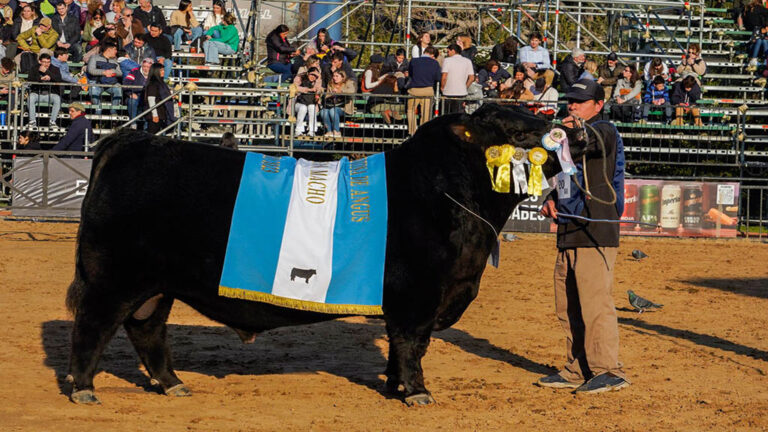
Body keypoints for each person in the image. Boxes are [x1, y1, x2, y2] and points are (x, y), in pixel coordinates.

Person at [537, 78, 628, 395]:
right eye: (570, 100)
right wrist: (549, 200)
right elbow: (562, 177)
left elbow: (589, 139)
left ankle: (608, 370)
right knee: (567, 306)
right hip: (569, 230)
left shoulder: (605, 131)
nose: (572, 105)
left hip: (595, 229)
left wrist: (569, 130)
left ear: (599, 105)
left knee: (595, 303)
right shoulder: (565, 141)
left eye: (580, 101)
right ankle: (577, 368)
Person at [406, 45, 440, 135]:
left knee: (411, 110)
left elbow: (410, 74)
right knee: (425, 112)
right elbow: (438, 77)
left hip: (414, 89)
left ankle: (412, 131)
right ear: (433, 55)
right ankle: (423, 133)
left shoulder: (413, 61)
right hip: (428, 90)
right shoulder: (435, 63)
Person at [27, 52, 62, 127]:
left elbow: (59, 79)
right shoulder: (34, 68)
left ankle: (52, 121)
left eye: (48, 62)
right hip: (37, 93)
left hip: (50, 94)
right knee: (31, 98)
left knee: (57, 99)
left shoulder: (55, 69)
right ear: (39, 61)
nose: (46, 64)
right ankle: (32, 121)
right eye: (44, 62)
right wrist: (40, 79)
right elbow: (30, 79)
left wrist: (47, 73)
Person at [87, 41, 122, 115]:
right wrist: (104, 72)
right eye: (115, 49)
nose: (116, 51)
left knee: (118, 88)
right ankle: (98, 111)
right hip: (97, 83)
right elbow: (91, 70)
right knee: (93, 90)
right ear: (109, 49)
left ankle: (113, 111)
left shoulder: (115, 61)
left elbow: (120, 73)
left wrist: (112, 72)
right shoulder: (94, 58)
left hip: (111, 83)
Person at [440, 43, 474, 114]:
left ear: (453, 51)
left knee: (447, 115)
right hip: (461, 92)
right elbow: (471, 78)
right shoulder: (467, 61)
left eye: (448, 51)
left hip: (448, 92)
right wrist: (465, 86)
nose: (448, 54)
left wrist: (442, 87)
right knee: (459, 115)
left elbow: (444, 76)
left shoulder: (447, 60)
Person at [320, 69, 354, 137]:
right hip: (331, 104)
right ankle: (329, 131)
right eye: (333, 76)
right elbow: (327, 96)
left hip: (344, 107)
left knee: (333, 111)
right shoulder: (330, 84)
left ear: (342, 77)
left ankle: (336, 131)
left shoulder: (348, 83)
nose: (334, 78)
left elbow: (352, 91)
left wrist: (340, 91)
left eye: (337, 76)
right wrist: (330, 94)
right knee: (323, 112)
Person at [143, 62, 175, 133]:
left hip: (162, 113)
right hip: (155, 114)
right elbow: (151, 99)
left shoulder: (161, 82)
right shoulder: (153, 83)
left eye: (163, 70)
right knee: (152, 134)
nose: (163, 72)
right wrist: (155, 115)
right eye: (161, 70)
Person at [292, 66, 322, 136]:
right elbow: (294, 87)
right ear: (308, 73)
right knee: (303, 108)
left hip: (311, 102)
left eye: (315, 76)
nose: (313, 77)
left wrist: (317, 93)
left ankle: (312, 130)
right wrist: (308, 89)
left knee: (312, 107)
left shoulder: (317, 82)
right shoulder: (300, 78)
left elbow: (320, 89)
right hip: (298, 102)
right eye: (312, 74)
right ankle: (298, 130)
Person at [124, 57, 153, 124]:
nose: (146, 69)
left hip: (148, 96)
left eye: (148, 67)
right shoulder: (134, 71)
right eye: (144, 66)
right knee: (132, 101)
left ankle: (147, 128)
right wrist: (130, 93)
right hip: (136, 94)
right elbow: (126, 84)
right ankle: (133, 123)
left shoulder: (154, 73)